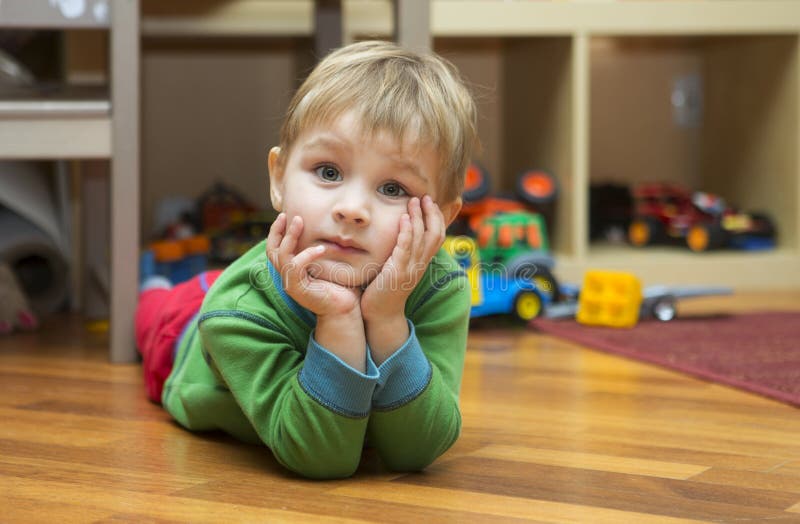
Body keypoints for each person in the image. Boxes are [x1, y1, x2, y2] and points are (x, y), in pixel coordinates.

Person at [135, 40, 478, 479]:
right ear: (278, 178)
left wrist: (387, 319)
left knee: (211, 283)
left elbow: (418, 451)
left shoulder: (440, 286)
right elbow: (320, 456)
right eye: (329, 172)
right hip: (180, 337)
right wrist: (339, 318)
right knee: (155, 311)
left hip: (238, 284)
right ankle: (152, 288)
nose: (352, 209)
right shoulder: (234, 312)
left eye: (393, 189)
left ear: (441, 218)